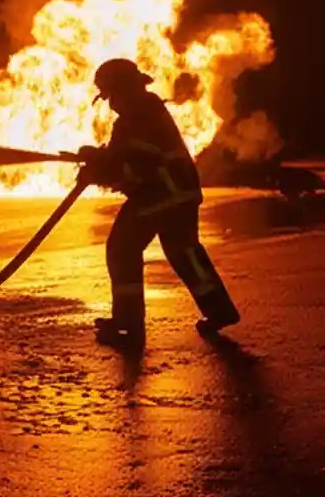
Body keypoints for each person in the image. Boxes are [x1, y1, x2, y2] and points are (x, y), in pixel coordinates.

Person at [80, 58, 240, 348]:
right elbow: (126, 157)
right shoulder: (145, 111)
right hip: (177, 193)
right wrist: (99, 159)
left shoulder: (137, 117)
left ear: (124, 90)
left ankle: (128, 324)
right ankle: (220, 311)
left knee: (122, 249)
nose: (111, 103)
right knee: (186, 255)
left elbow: (134, 165)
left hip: (159, 195)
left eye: (111, 95)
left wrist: (101, 167)